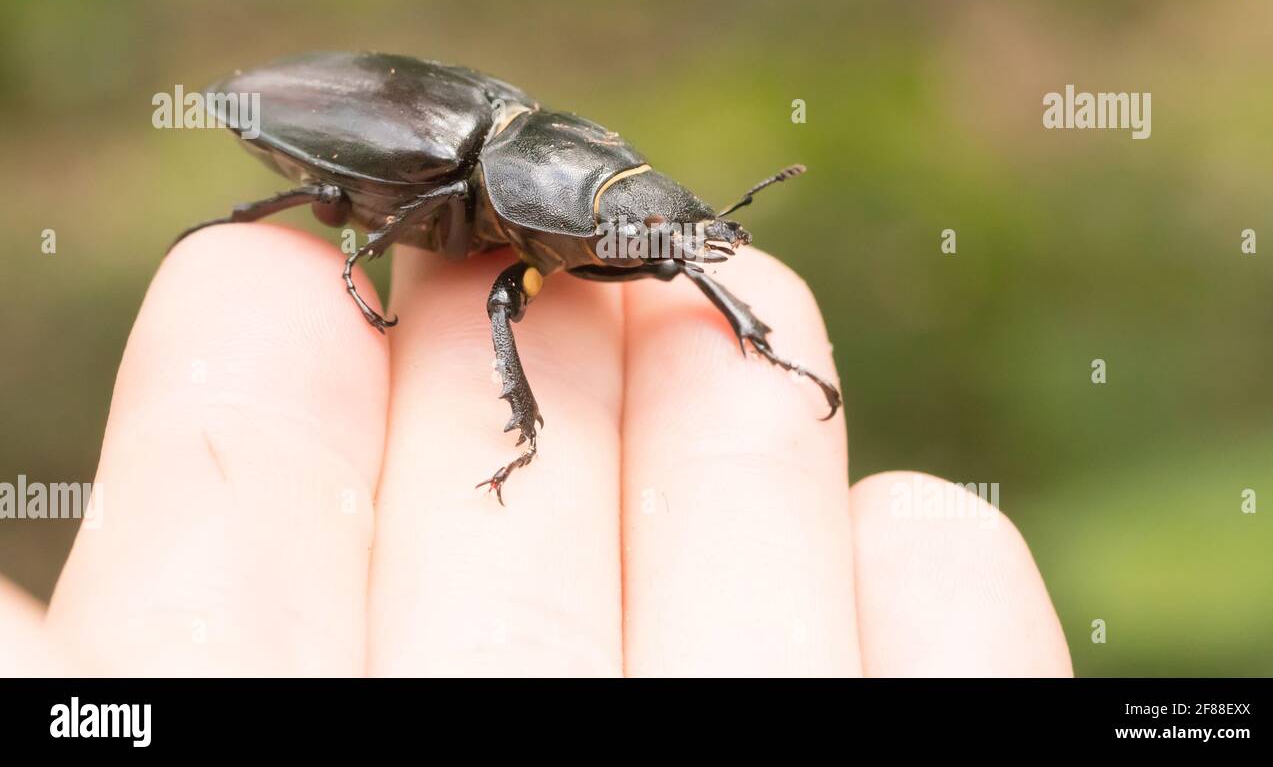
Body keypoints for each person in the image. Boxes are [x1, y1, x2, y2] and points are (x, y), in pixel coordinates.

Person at [0, 225, 1072, 676]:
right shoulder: (493, 234)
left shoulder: (573, 238)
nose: (664, 244)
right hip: (377, 176)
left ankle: (728, 344)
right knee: (465, 301)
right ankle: (524, 424)